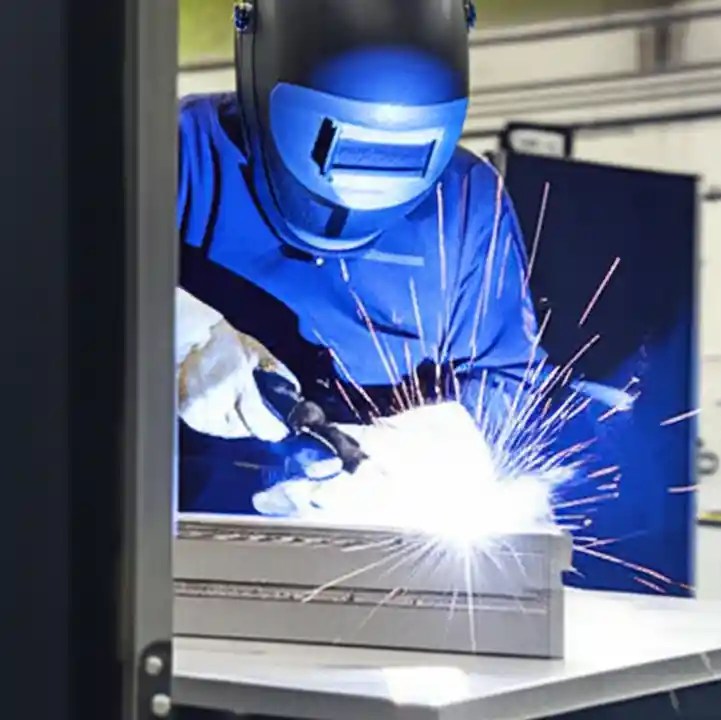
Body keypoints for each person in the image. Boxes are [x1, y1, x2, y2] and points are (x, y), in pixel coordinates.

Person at [176, 0, 555, 515]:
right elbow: (76, 295)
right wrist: (178, 340)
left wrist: (437, 452)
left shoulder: (466, 201)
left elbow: (508, 378)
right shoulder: (176, 154)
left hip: (377, 533)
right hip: (174, 531)